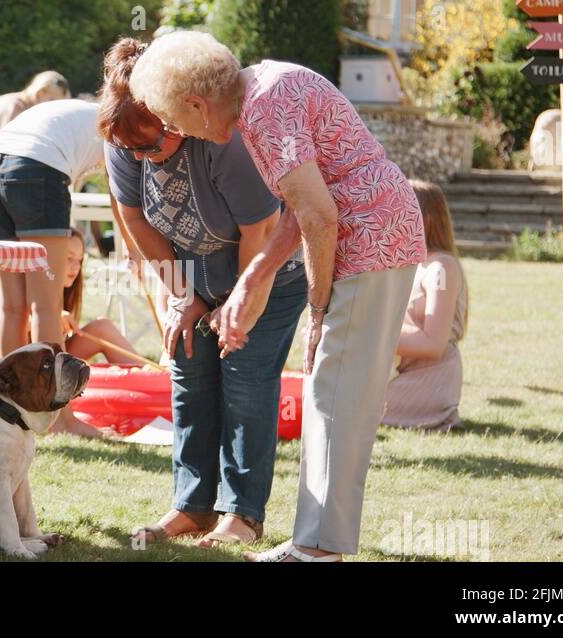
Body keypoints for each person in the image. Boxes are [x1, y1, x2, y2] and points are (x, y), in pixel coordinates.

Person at [129, 31, 426, 562]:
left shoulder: (265, 109)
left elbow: (320, 216)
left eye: (176, 120)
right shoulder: (261, 94)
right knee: (328, 394)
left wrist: (316, 310)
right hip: (372, 233)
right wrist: (253, 278)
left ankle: (318, 549)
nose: (178, 131)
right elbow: (298, 210)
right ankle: (314, 541)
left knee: (336, 397)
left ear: (197, 103)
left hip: (372, 238)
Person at [101, 38, 306, 547]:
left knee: (244, 382)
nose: (142, 157)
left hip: (265, 273)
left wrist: (237, 302)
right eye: (131, 150)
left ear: (171, 117)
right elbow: (134, 221)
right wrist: (182, 296)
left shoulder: (219, 139)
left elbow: (259, 230)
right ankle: (192, 506)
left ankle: (241, 515)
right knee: (188, 375)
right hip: (195, 272)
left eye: (151, 145)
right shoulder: (124, 137)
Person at [0, 97, 105, 434]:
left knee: (11, 305)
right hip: (37, 170)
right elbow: (124, 197)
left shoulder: (76, 113)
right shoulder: (119, 125)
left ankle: (13, 413)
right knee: (46, 307)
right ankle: (60, 418)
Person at [0, 228, 140, 402]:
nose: (75, 267)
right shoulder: (6, 286)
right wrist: (42, 318)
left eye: (80, 260)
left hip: (33, 364)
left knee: (102, 328)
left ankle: (154, 383)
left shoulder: (60, 289)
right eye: (68, 258)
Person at [382, 181, 468, 432]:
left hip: (430, 380)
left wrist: (373, 338)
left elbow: (433, 344)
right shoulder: (413, 264)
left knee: (353, 410)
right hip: (404, 372)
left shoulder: (441, 268)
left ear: (424, 218)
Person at [0, 70, 69, 164]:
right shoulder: (15, 106)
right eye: (51, 100)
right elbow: (7, 140)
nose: (52, 106)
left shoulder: (26, 106)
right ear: (40, 93)